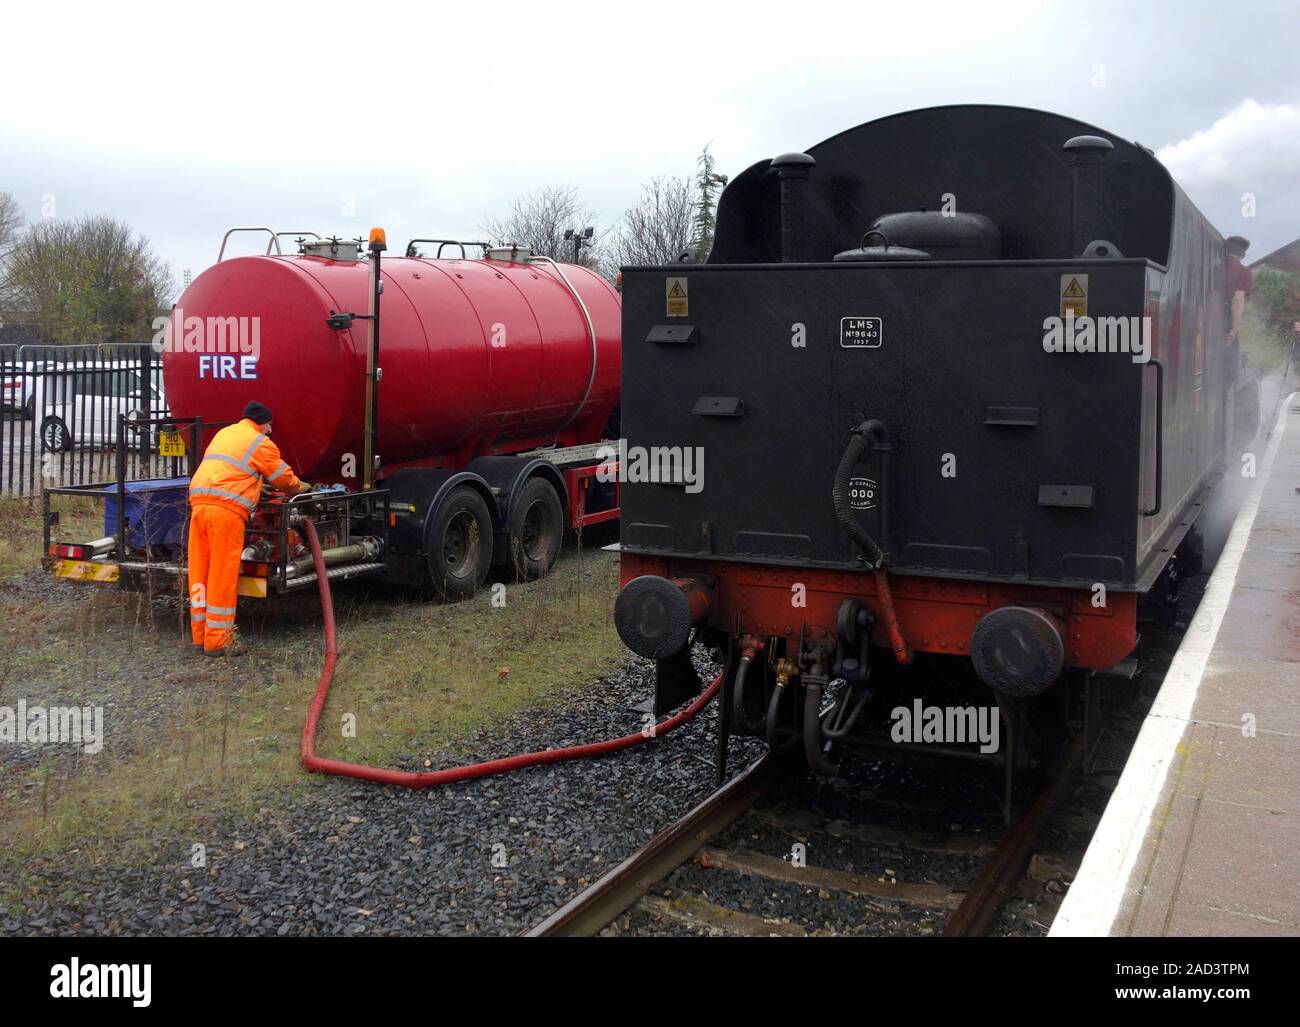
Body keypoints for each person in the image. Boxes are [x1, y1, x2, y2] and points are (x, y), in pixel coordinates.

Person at [187, 401, 310, 656]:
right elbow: (283, 480)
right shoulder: (260, 442)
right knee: (222, 574)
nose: (271, 430)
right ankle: (219, 642)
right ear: (263, 422)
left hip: (199, 505)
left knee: (200, 571)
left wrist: (254, 483)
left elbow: (230, 470)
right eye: (270, 425)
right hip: (226, 512)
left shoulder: (226, 433)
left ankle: (200, 638)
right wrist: (300, 487)